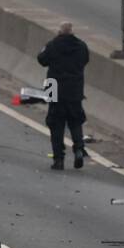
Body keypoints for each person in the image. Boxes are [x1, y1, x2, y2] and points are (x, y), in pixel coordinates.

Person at [37, 21, 90, 170]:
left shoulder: (53, 45)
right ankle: (79, 148)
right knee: (75, 120)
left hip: (54, 88)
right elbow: (85, 60)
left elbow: (41, 60)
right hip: (74, 89)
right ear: (72, 32)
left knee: (56, 123)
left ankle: (58, 159)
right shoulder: (81, 46)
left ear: (60, 32)